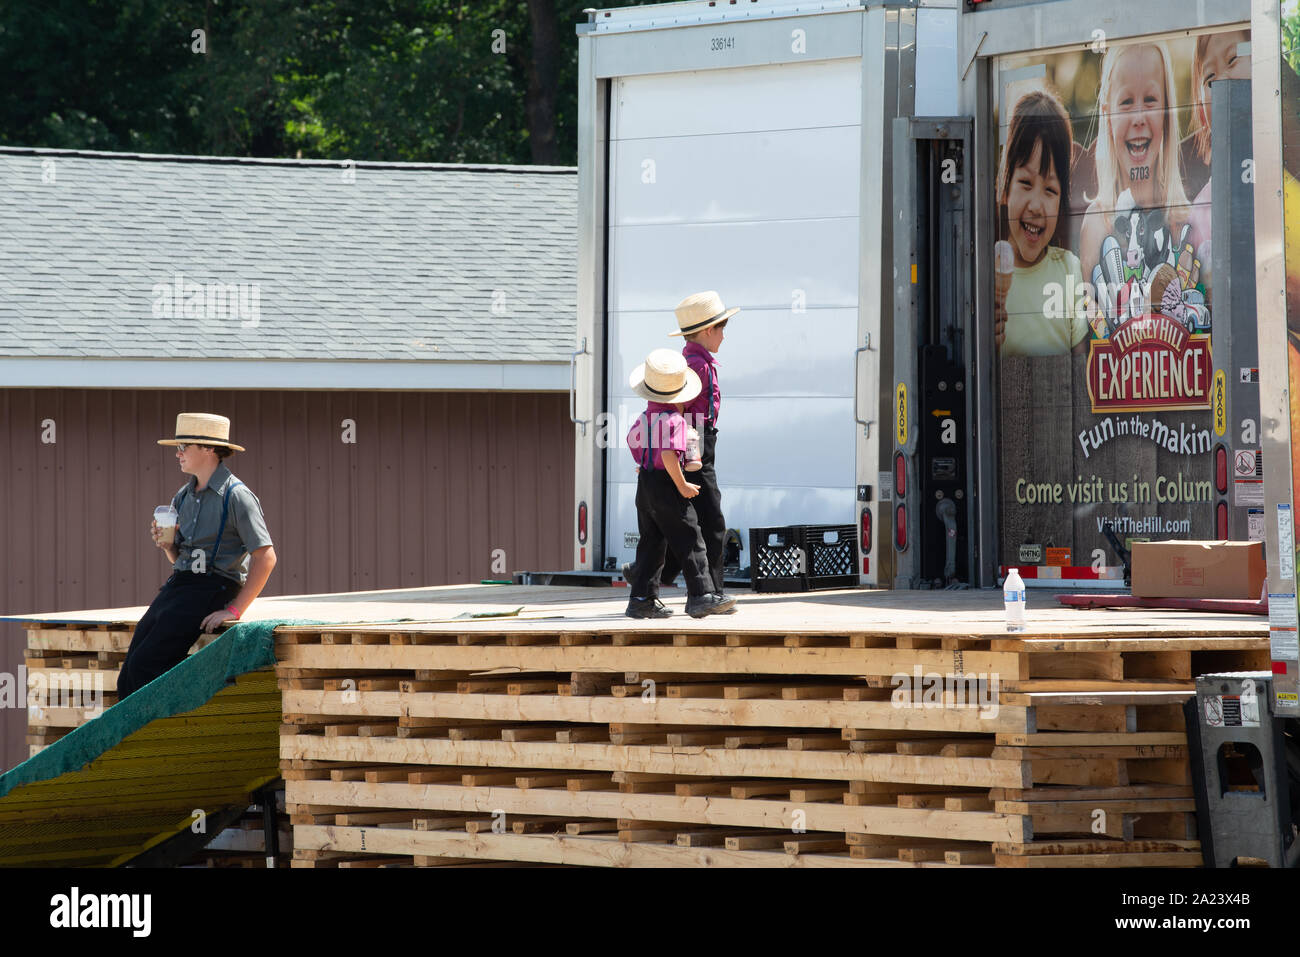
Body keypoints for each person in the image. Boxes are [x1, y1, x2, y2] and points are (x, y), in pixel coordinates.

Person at [116, 413, 277, 700]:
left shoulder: (237, 496)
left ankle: (170, 730)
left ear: (209, 449)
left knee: (146, 667)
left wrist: (234, 610)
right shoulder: (183, 496)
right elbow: (180, 559)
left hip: (214, 587)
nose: (177, 454)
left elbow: (266, 557)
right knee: (130, 670)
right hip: (180, 585)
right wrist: (168, 546)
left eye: (184, 446)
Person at [624, 350, 735, 619]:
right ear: (680, 398)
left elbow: (632, 441)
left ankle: (641, 599)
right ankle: (700, 595)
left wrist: (642, 463)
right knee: (690, 538)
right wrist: (683, 484)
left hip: (645, 485)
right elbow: (668, 455)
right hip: (667, 487)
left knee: (651, 543)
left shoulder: (644, 418)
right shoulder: (674, 421)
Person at [1079, 40, 1192, 295]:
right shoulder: (1098, 223)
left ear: (1166, 114)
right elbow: (1092, 322)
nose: (1139, 118)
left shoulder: (1182, 220)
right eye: (1127, 102)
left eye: (1150, 100)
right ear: (1107, 116)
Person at [653, 291, 739, 602]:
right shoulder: (696, 367)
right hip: (695, 443)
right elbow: (675, 411)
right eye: (721, 329)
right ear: (707, 331)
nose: (723, 336)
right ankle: (711, 592)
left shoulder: (697, 362)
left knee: (692, 518)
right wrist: (688, 451)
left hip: (701, 439)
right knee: (713, 522)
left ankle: (648, 573)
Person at [994, 87, 1089, 357]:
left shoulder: (1068, 269)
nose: (1036, 206)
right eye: (1025, 183)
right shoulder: (985, 276)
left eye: (1050, 190)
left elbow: (1079, 363)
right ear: (1004, 186)